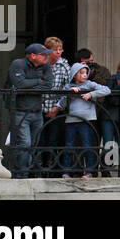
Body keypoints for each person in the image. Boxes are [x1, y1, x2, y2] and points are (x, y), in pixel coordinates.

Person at [5, 44, 52, 179]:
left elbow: (48, 85)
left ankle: (25, 172)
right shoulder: (18, 64)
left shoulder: (46, 65)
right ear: (33, 56)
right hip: (20, 111)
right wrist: (38, 81)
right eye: (44, 54)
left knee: (33, 145)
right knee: (24, 144)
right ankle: (21, 175)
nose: (47, 57)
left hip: (37, 111)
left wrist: (29, 85)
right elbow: (19, 84)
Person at [62, 62, 110, 178]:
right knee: (69, 146)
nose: (84, 75)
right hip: (71, 120)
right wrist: (69, 93)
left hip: (87, 120)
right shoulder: (68, 86)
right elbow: (62, 103)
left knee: (87, 145)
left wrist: (91, 94)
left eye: (86, 73)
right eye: (81, 73)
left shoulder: (89, 84)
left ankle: (90, 171)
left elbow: (107, 90)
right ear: (74, 74)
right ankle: (66, 171)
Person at [38, 37, 71, 176]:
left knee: (53, 140)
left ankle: (50, 170)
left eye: (60, 49)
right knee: (39, 140)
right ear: (47, 50)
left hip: (56, 109)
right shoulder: (40, 64)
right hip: (38, 108)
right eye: (55, 50)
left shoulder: (64, 66)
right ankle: (37, 170)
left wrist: (58, 107)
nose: (59, 52)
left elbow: (68, 88)